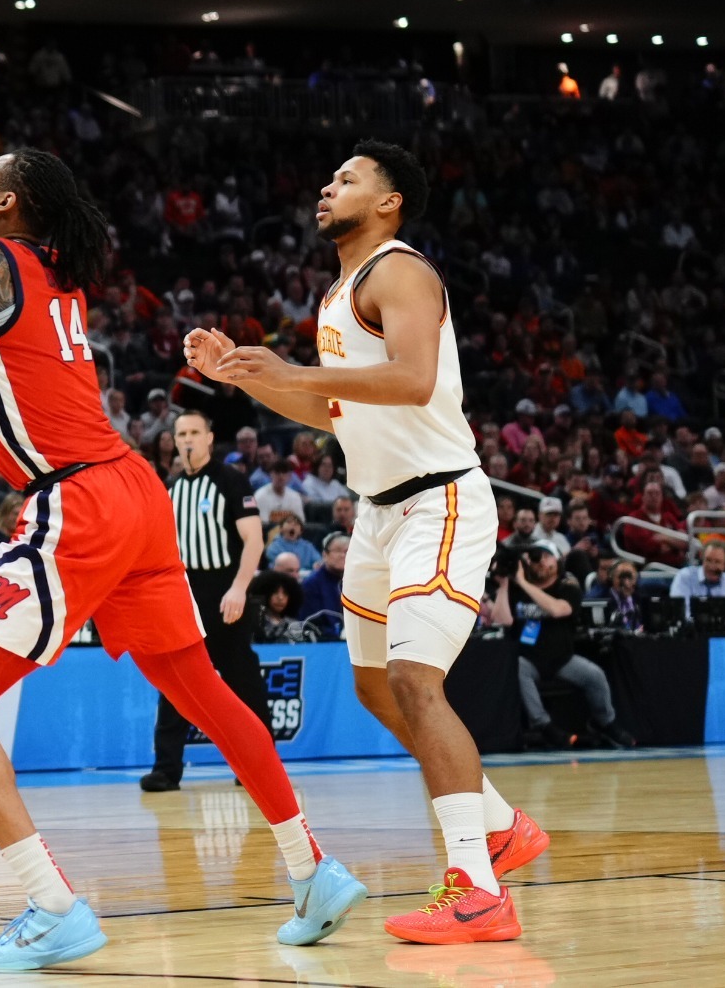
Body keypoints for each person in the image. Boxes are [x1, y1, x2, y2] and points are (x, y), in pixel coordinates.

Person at [0, 0, 363, 968]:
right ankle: (309, 863)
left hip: (74, 498)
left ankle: (52, 904)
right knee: (196, 685)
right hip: (131, 491)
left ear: (1, 207)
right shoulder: (48, 276)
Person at [189, 138, 534, 942]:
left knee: (417, 683)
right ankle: (501, 825)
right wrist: (250, 378)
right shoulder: (340, 292)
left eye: (346, 179)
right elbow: (343, 412)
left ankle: (479, 888)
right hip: (378, 512)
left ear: (388, 202)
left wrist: (292, 372)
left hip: (440, 501)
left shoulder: (400, 271)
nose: (325, 185)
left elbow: (412, 380)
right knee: (377, 688)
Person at [144, 409, 270, 793]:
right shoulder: (172, 485)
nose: (187, 440)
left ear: (210, 438)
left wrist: (239, 588)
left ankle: (259, 766)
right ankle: (166, 769)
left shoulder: (231, 480)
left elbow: (255, 540)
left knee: (241, 680)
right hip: (184, 592)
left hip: (225, 589)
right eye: (181, 433)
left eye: (195, 432)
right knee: (176, 680)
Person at [486, 543, 635, 750]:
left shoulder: (568, 583)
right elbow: (503, 620)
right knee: (519, 669)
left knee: (595, 675)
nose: (540, 563)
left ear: (557, 561)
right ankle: (544, 726)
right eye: (537, 558)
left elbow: (558, 610)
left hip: (562, 658)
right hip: (528, 658)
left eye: (546, 557)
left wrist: (522, 582)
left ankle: (605, 722)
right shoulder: (516, 586)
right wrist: (504, 586)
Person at [669, 539, 725, 623]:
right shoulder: (685, 577)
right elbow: (681, 612)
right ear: (702, 559)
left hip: (721, 632)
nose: (712, 566)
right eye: (708, 560)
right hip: (690, 630)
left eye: (717, 562)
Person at [299, 534, 348, 618]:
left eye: (347, 551)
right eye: (338, 551)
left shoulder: (358, 583)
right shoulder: (311, 584)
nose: (343, 555)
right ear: (325, 554)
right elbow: (310, 622)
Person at [252, 459, 307, 525]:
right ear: (270, 474)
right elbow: (263, 525)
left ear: (290, 476)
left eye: (284, 472)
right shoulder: (260, 496)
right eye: (277, 472)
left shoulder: (295, 496)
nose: (281, 476)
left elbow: (300, 523)